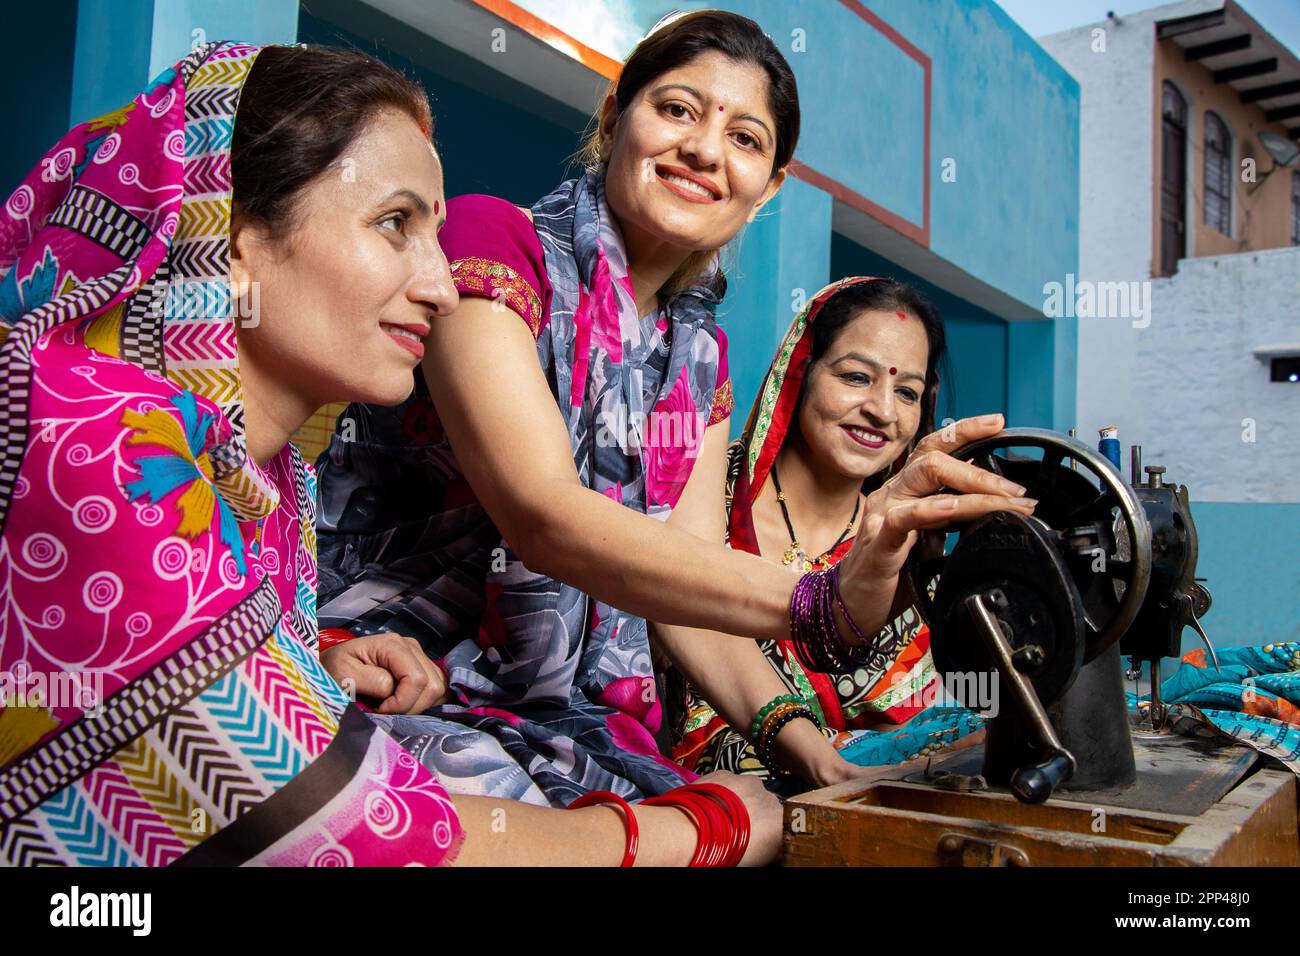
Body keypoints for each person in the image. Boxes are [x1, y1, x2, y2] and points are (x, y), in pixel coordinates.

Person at [0, 40, 780, 867]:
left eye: (748, 137)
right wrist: (706, 828)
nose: (443, 286)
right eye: (394, 224)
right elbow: (366, 834)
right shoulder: (102, 451)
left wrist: (312, 664)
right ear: (226, 239)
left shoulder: (267, 485)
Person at [315, 10, 1033, 806]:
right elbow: (542, 515)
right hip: (395, 669)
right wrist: (822, 606)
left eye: (746, 138)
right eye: (679, 110)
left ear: (770, 186)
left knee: (766, 828)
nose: (703, 150)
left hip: (574, 716)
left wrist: (814, 757)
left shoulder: (699, 361)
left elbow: (678, 597)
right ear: (615, 118)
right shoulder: (496, 243)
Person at [670, 277, 988, 780]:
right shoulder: (702, 499)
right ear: (800, 372)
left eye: (906, 392)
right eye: (857, 377)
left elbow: (924, 718)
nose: (883, 411)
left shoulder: (897, 543)